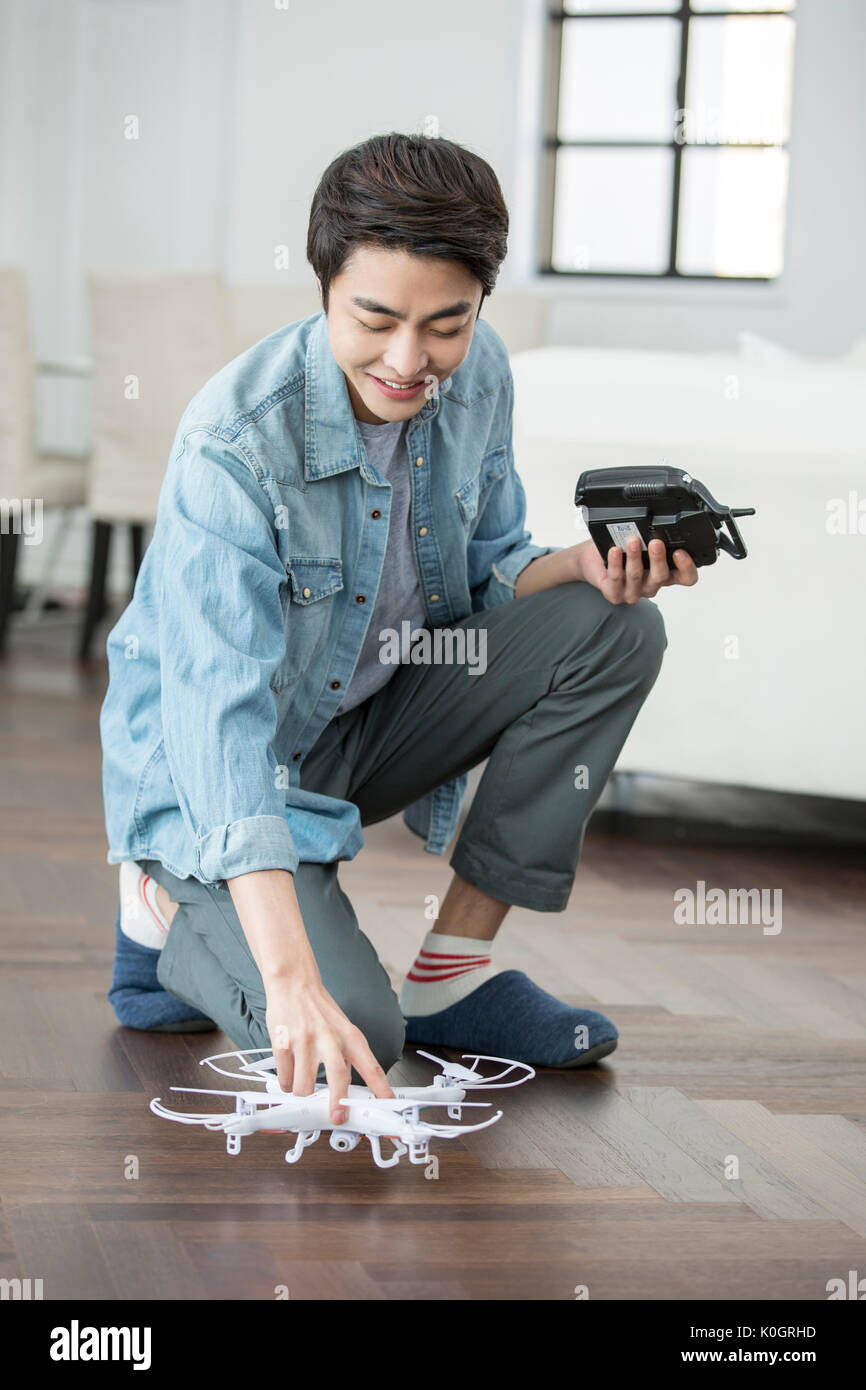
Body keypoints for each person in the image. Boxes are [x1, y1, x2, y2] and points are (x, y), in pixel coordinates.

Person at [101, 131, 697, 1125]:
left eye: (446, 325)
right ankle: (158, 901)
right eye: (373, 319)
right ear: (323, 286)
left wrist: (583, 568)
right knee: (357, 1040)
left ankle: (451, 976)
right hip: (210, 781)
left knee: (613, 627)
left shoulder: (477, 374)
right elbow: (214, 724)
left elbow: (487, 572)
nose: (409, 360)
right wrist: (288, 979)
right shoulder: (233, 445)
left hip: (363, 723)